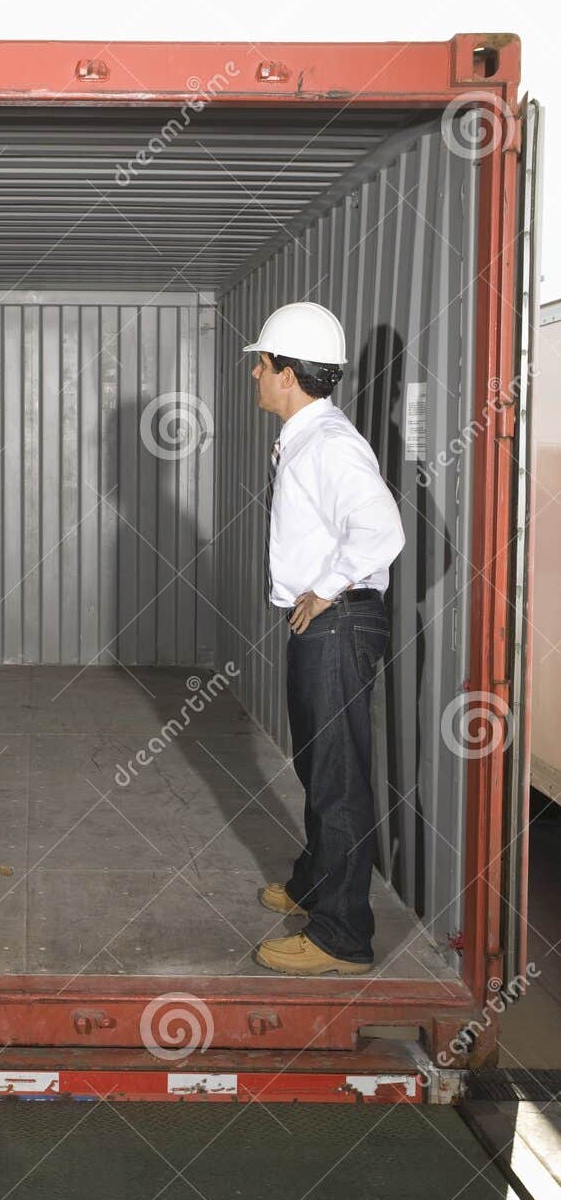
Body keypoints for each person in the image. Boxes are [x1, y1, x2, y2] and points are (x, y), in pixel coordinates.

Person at [245, 302, 405, 975]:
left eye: (261, 363)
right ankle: (314, 884)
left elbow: (381, 530)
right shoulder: (308, 436)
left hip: (337, 624)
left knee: (336, 778)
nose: (253, 373)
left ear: (286, 373)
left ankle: (342, 936)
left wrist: (328, 585)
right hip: (324, 624)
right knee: (319, 766)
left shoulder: (330, 443)